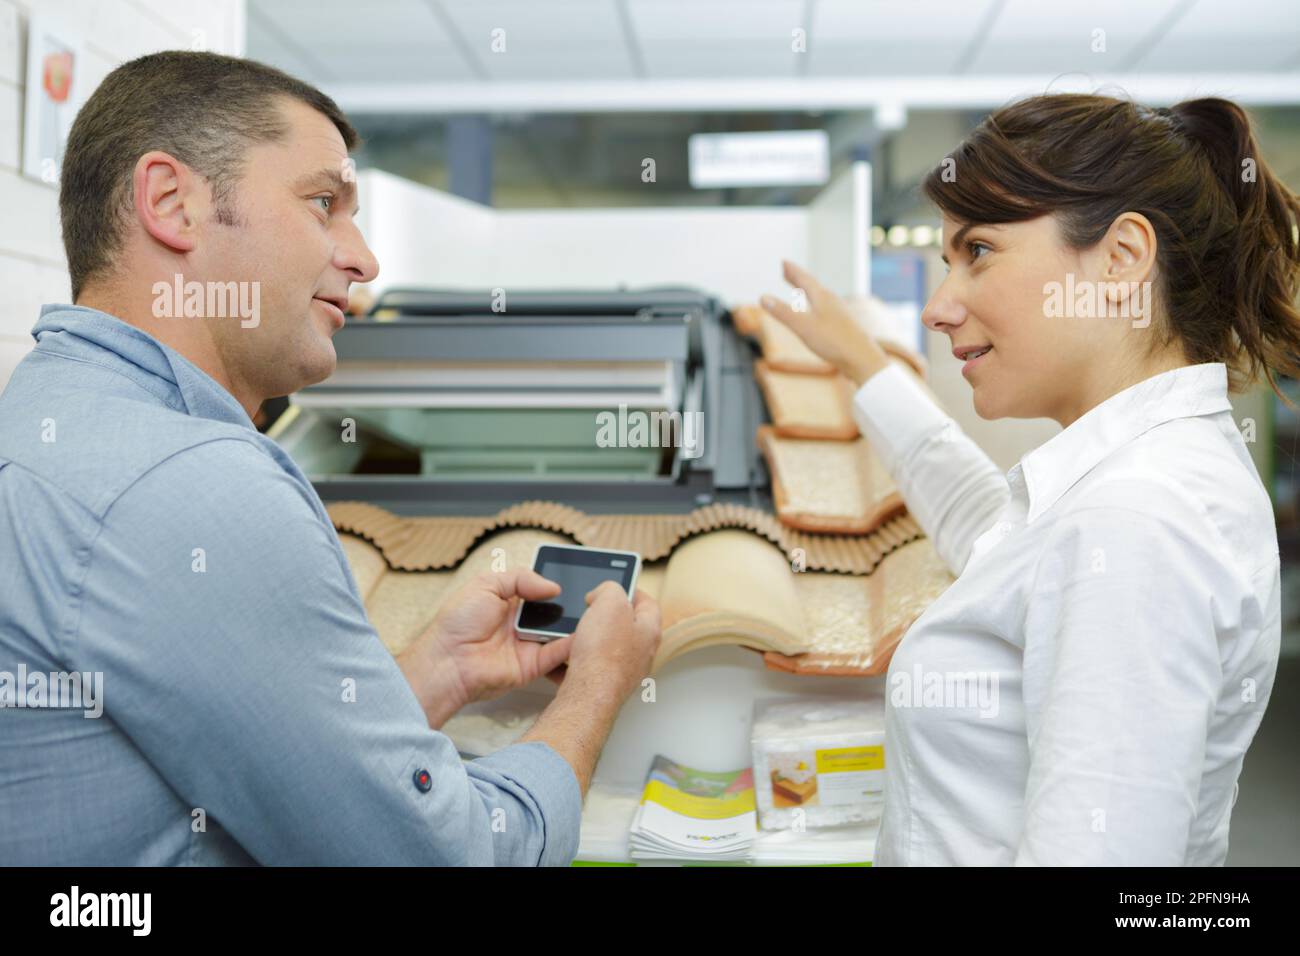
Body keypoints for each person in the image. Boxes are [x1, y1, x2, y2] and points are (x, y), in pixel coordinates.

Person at [0, 51, 660, 865]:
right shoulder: (193, 484)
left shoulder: (43, 413)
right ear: (172, 204)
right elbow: (445, 858)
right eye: (323, 204)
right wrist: (597, 689)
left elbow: (252, 771)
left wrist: (434, 675)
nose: (364, 259)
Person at [761, 94, 1297, 865]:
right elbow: (992, 537)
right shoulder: (1136, 477)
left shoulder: (1137, 519)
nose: (939, 308)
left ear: (1120, 261)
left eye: (977, 251)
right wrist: (862, 363)